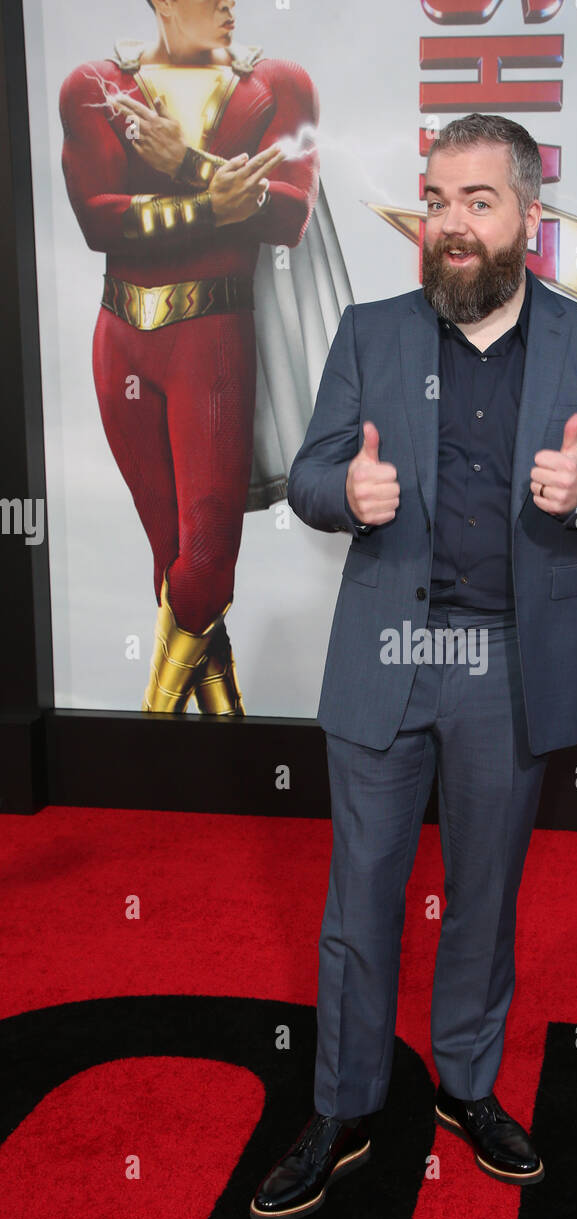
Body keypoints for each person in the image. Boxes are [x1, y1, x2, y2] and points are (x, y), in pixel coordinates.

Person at [250, 113, 577, 1219]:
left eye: (478, 202)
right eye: (437, 201)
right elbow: (307, 472)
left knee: (483, 896)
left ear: (529, 216)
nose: (452, 224)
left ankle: (466, 1090)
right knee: (359, 901)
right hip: (387, 652)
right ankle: (342, 1108)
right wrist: (347, 495)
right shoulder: (372, 331)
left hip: (506, 666)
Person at [59, 0, 321, 714]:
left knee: (204, 565)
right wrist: (212, 203)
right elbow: (96, 217)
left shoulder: (280, 81)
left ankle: (152, 721)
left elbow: (291, 214)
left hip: (213, 341)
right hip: (121, 342)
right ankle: (223, 721)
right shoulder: (95, 85)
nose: (230, 4)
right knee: (170, 557)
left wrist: (188, 164)